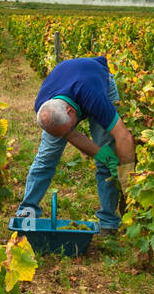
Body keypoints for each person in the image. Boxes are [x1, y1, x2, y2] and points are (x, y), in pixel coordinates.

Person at [16, 56, 134, 234]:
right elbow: (69, 134)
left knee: (106, 161)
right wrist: (101, 154)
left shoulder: (96, 99)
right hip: (71, 88)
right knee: (45, 158)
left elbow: (123, 136)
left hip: (96, 82)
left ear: (71, 112)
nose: (68, 137)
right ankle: (27, 213)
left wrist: (127, 180)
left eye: (68, 130)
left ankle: (108, 222)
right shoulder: (46, 109)